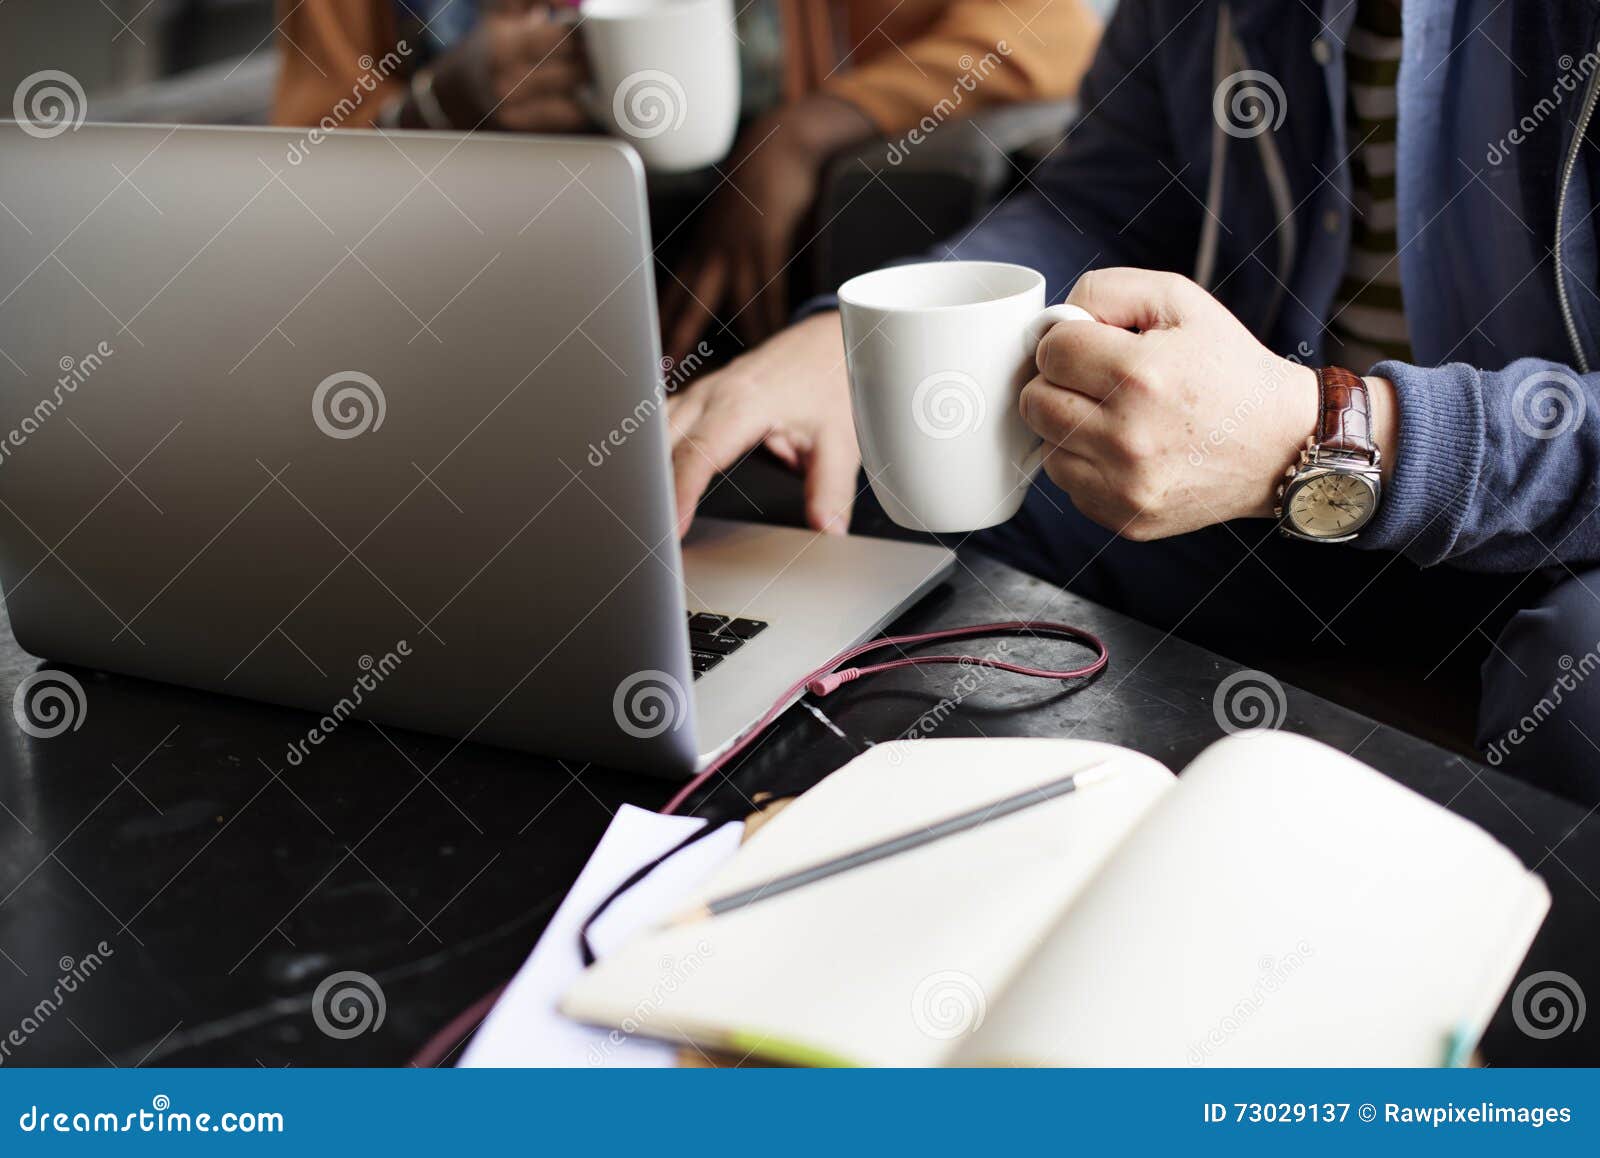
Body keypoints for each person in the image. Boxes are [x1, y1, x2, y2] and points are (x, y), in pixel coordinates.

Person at [666, 0, 1600, 806]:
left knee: (1580, 678)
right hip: (1271, 510)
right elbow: (1100, 208)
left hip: (1550, 541)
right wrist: (876, 340)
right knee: (888, 477)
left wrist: (1316, 431)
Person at [271, 1, 1104, 354]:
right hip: (444, 331)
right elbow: (284, 188)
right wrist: (435, 106)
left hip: (709, 319)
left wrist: (802, 132)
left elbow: (1046, 30)